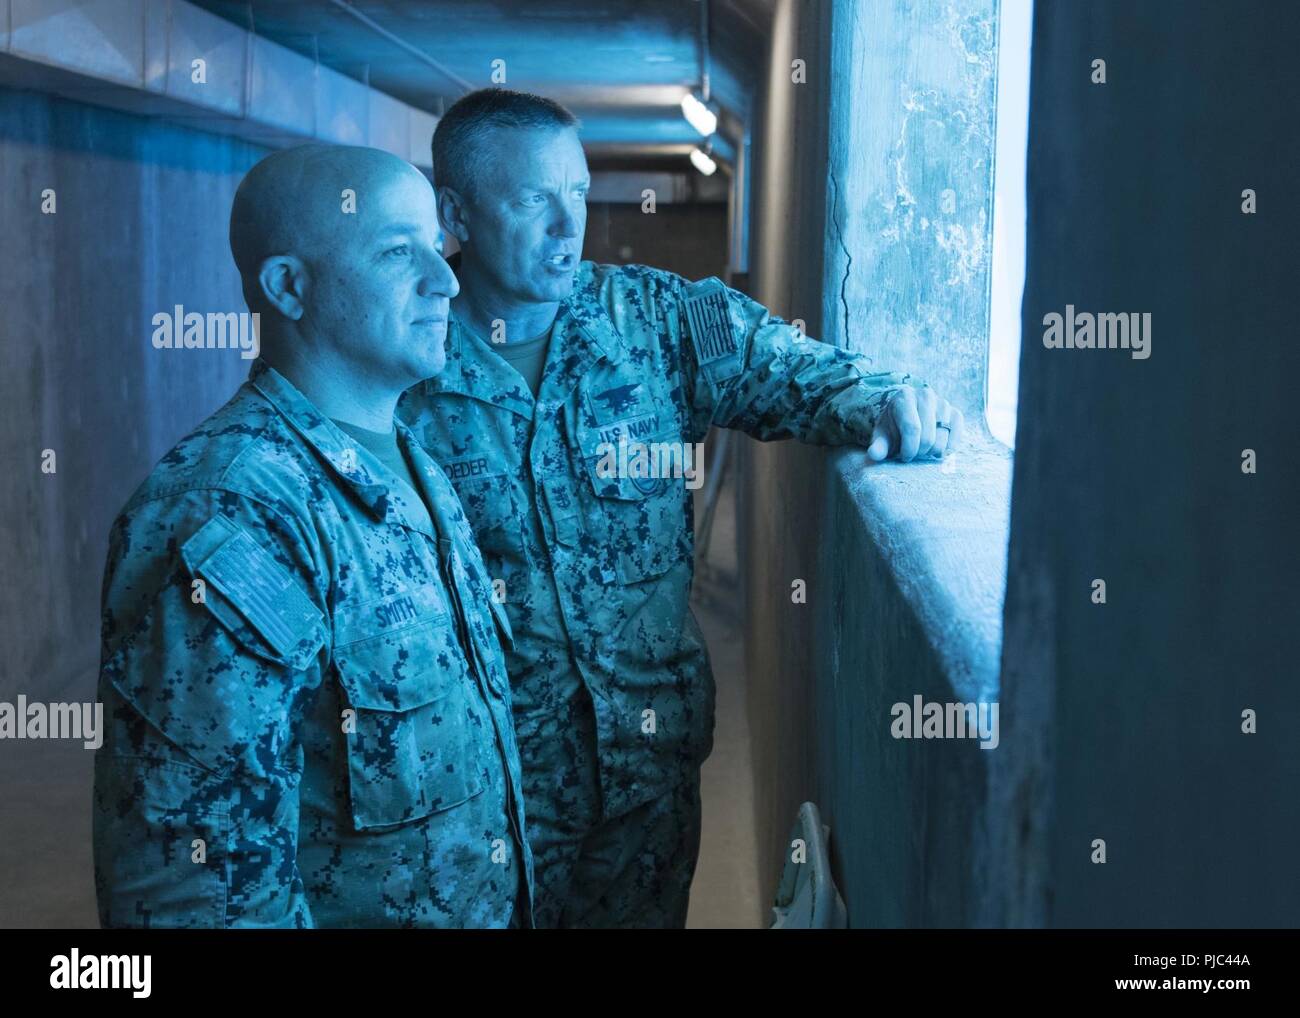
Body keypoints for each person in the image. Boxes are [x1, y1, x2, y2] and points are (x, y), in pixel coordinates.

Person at [398, 88, 964, 928]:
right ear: (457, 212)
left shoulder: (653, 320)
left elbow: (797, 372)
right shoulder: (400, 362)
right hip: (480, 793)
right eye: (531, 200)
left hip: (643, 773)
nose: (568, 227)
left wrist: (885, 400)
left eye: (580, 194)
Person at [92, 144, 531, 928]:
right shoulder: (230, 512)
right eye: (399, 251)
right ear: (289, 287)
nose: (447, 279)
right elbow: (197, 887)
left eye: (439, 244)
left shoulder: (408, 458)